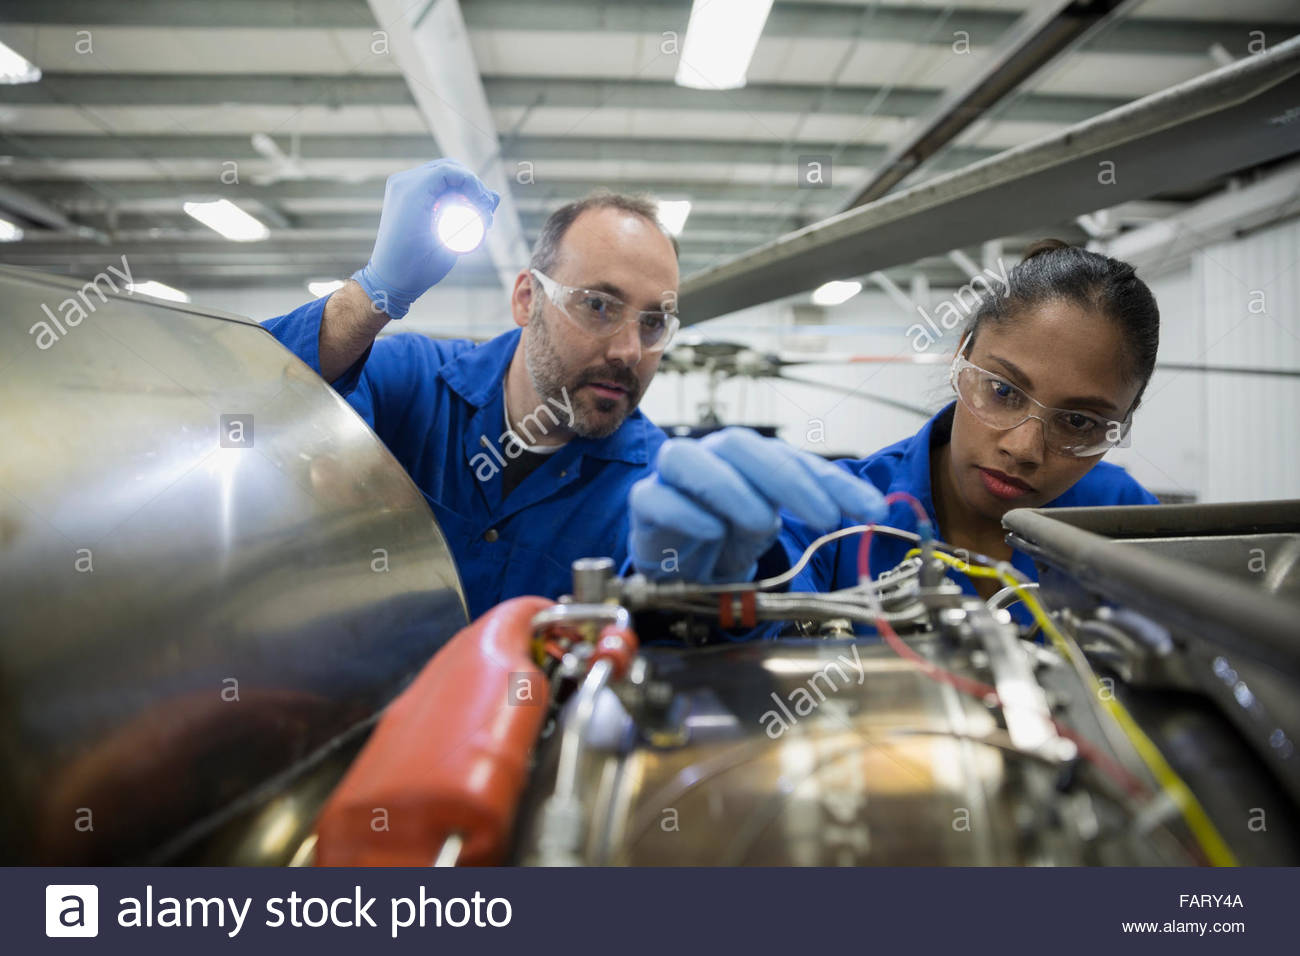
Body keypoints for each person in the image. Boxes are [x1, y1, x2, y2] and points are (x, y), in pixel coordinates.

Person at [629, 241, 1160, 620]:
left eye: (1077, 423)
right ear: (961, 357)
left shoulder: (1128, 524)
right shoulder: (837, 521)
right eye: (1002, 391)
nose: (1023, 448)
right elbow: (747, 642)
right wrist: (699, 591)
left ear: (1123, 422)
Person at [262, 158, 695, 619]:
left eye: (653, 323)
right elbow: (259, 395)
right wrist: (372, 295)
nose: (629, 351)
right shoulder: (414, 385)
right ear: (528, 300)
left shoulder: (655, 487)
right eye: (598, 305)